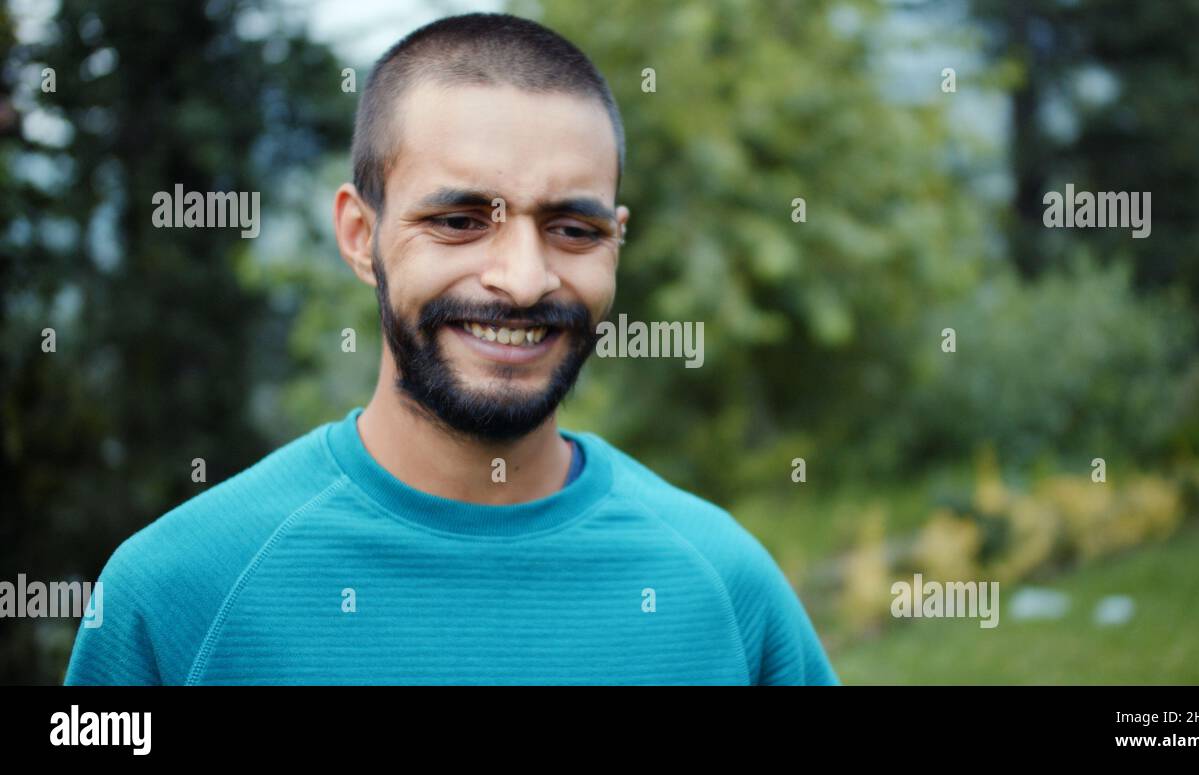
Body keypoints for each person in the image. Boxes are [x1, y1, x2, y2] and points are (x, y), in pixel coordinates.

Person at [65, 12, 838, 686]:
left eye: (573, 229)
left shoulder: (726, 587)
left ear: (616, 242)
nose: (525, 280)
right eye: (461, 221)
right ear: (361, 237)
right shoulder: (175, 595)